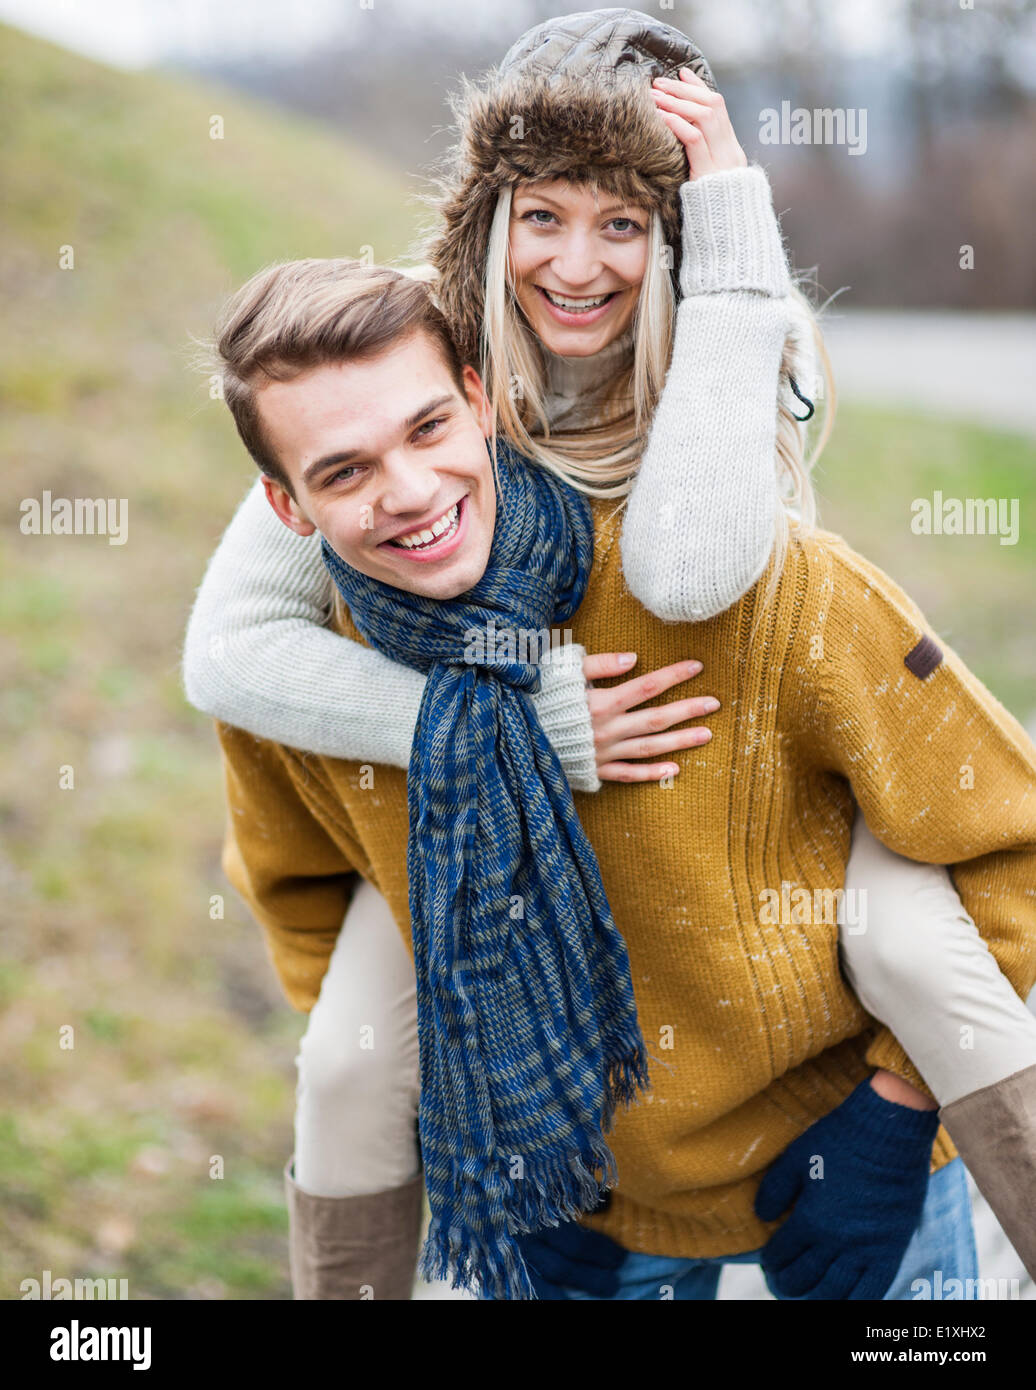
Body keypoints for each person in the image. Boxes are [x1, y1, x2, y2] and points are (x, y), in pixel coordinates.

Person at [184, 10, 1036, 1294]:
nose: (575, 265)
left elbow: (687, 571)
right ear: (487, 229)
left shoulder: (726, 372)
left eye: (624, 223)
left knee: (909, 935)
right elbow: (232, 646)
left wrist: (732, 224)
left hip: (766, 778)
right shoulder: (409, 398)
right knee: (354, 1056)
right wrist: (511, 724)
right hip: (508, 874)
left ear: (680, 244)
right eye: (540, 216)